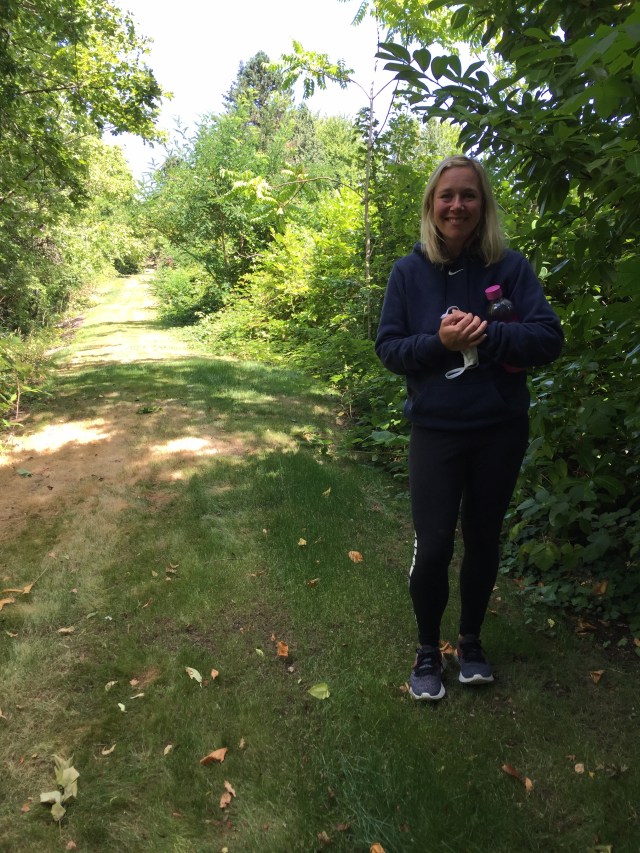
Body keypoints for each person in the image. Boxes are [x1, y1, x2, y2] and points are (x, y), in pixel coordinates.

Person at [375, 155, 563, 701]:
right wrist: (441, 344)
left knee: (483, 540)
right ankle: (428, 649)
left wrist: (485, 337)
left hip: (500, 429)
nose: (457, 205)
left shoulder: (511, 267)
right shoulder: (408, 273)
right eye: (447, 196)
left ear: (484, 206)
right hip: (436, 430)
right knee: (433, 546)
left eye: (469, 196)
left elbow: (548, 339)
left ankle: (472, 641)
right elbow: (389, 350)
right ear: (432, 206)